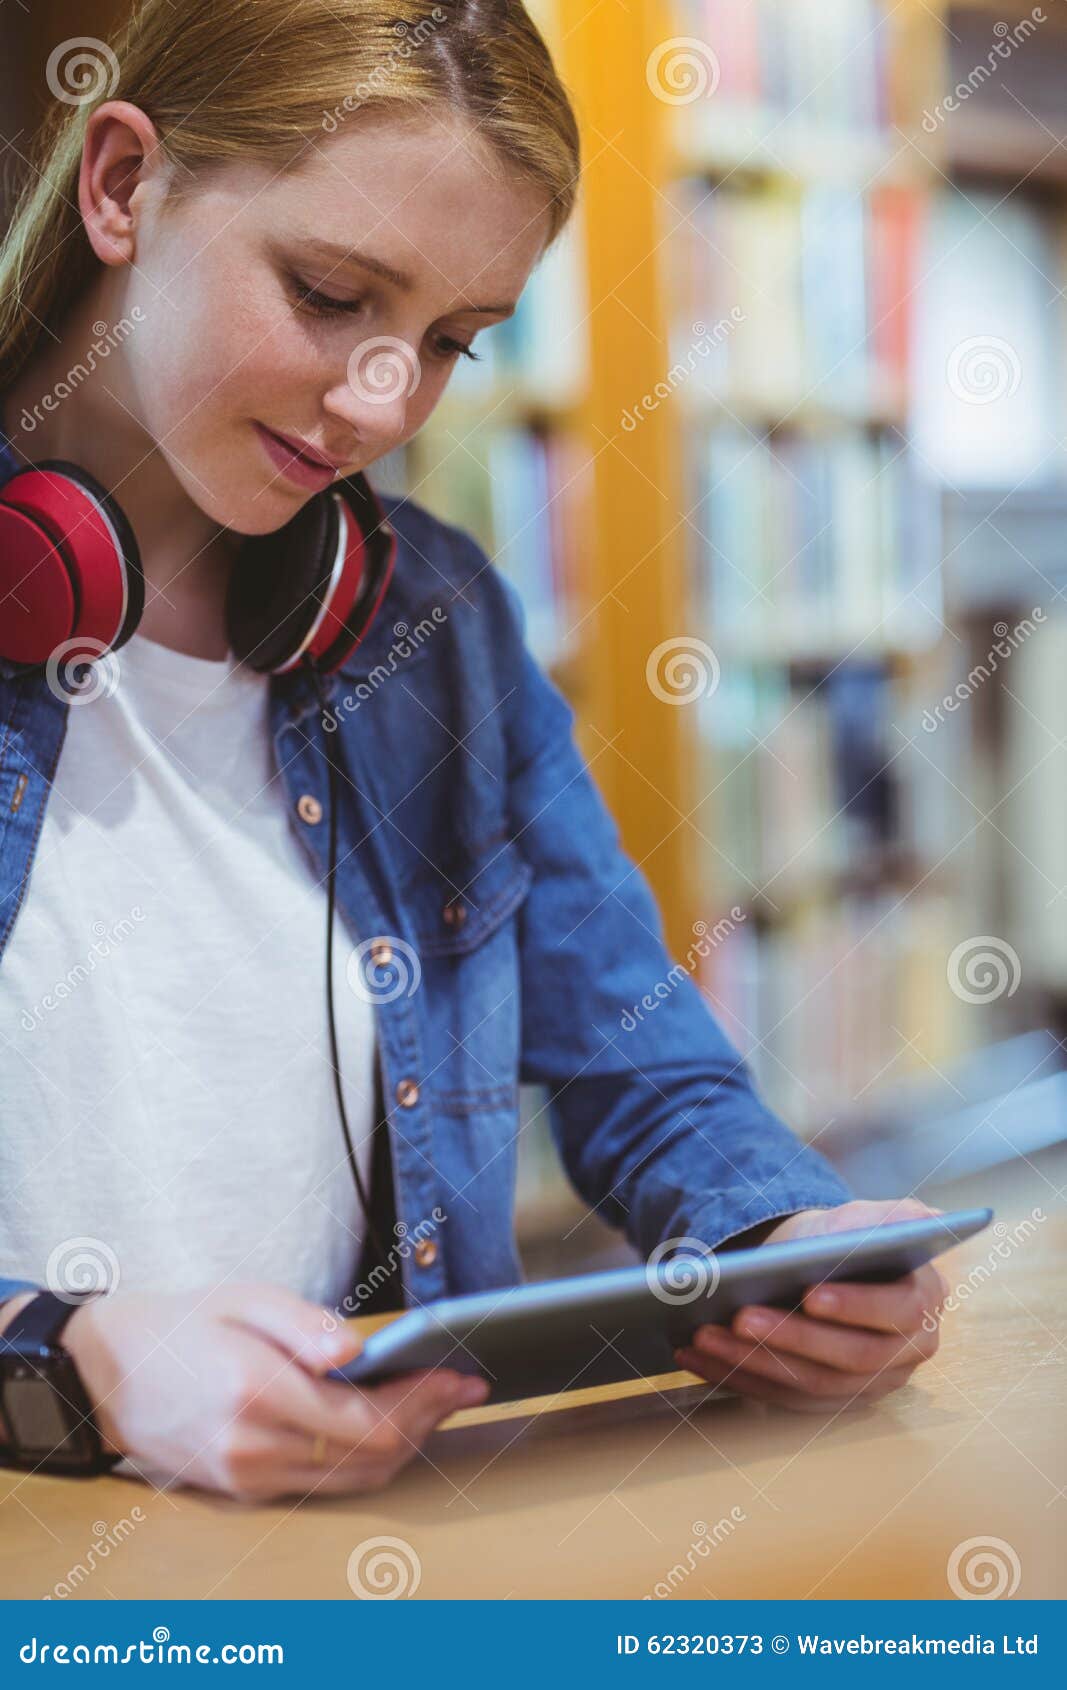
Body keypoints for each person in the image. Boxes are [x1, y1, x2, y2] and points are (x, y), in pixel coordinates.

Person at [0, 0, 946, 1505]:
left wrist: (788, 1244)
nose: (382, 402)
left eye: (449, 341)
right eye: (328, 293)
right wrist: (75, 1363)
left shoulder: (433, 625)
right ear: (123, 185)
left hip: (372, 1546)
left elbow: (644, 1065)